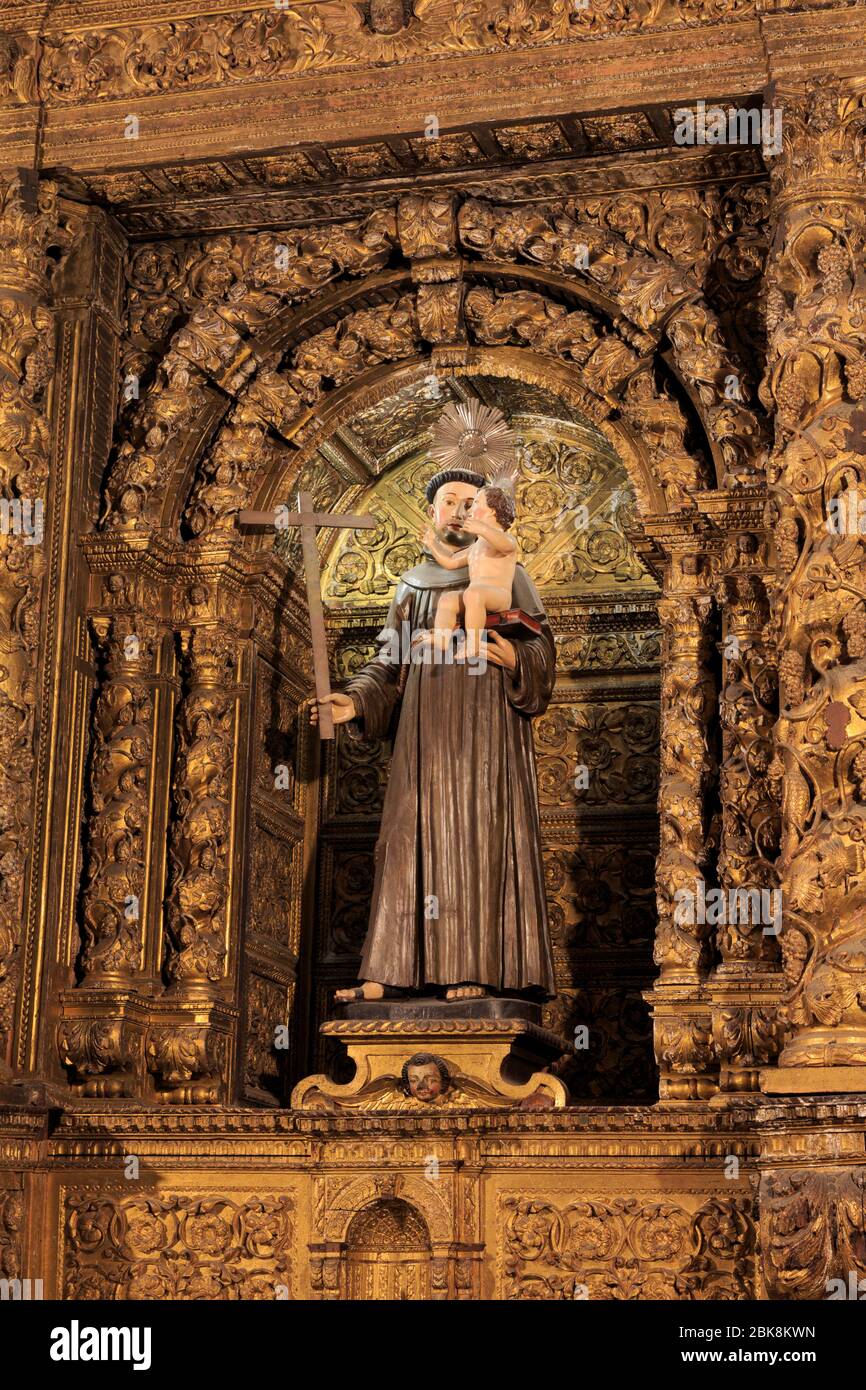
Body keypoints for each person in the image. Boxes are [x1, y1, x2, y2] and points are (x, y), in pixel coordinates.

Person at [311, 466, 556, 1003]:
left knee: (477, 838)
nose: (461, 511)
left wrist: (515, 657)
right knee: (404, 841)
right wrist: (353, 700)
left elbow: (542, 650)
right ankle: (387, 971)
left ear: (486, 512)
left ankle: (474, 967)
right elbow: (389, 661)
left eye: (471, 502)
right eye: (451, 501)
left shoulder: (506, 572)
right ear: (433, 512)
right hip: (423, 737)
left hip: (487, 736)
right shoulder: (414, 585)